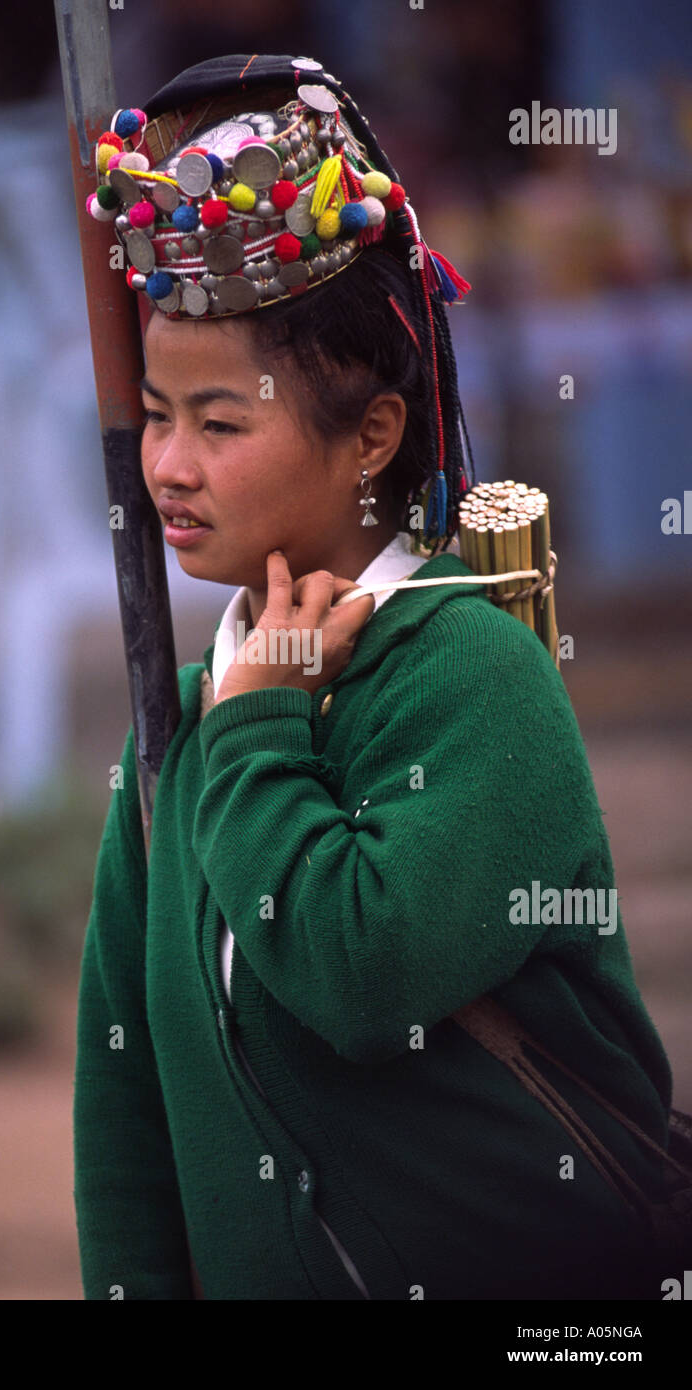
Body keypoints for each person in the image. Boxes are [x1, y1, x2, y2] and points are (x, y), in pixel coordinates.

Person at [73, 54, 674, 1300]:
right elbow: (125, 1128)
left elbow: (362, 973)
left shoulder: (472, 673)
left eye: (220, 423)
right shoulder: (166, 734)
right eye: (155, 415)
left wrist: (256, 732)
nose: (166, 467)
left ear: (371, 436)